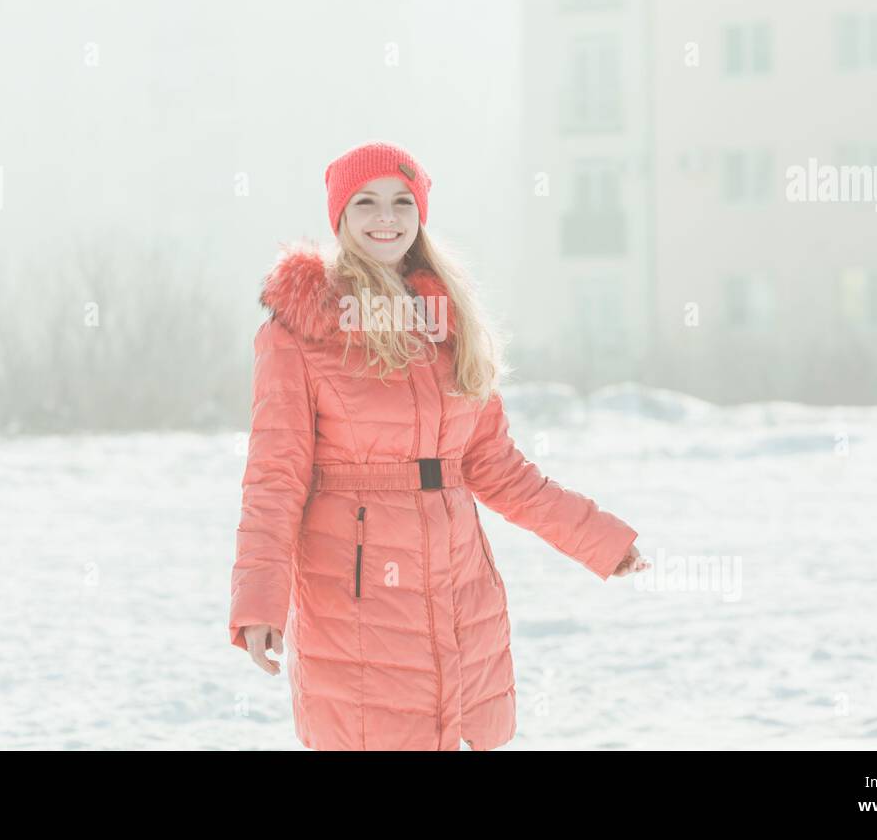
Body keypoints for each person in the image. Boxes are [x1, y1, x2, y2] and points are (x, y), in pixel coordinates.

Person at [228, 140, 648, 751]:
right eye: (366, 202)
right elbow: (274, 477)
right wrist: (259, 603)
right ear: (340, 217)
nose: (386, 218)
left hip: (459, 580)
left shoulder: (446, 321)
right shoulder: (299, 332)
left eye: (402, 202)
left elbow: (498, 468)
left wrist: (601, 540)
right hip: (357, 588)